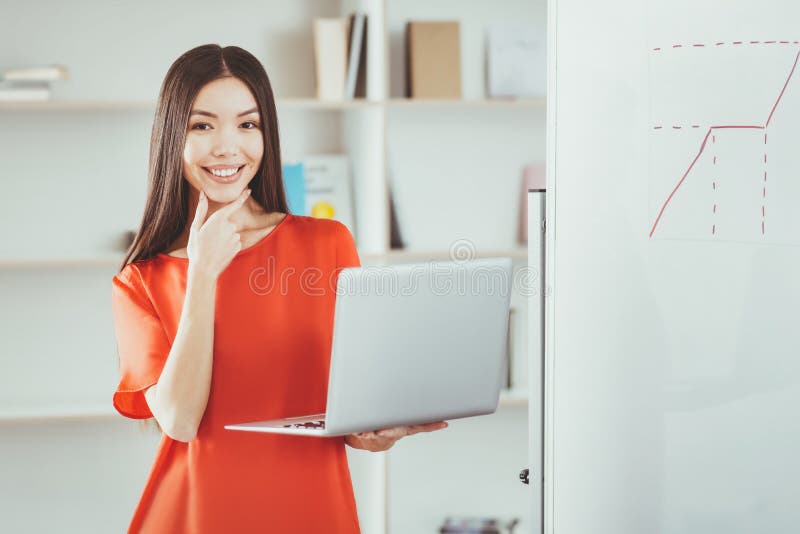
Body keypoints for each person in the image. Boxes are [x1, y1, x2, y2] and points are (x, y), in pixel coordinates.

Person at [110, 44, 447, 534]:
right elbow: (180, 421)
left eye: (248, 125)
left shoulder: (327, 245)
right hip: (198, 514)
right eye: (202, 125)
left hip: (312, 509)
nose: (228, 146)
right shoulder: (141, 280)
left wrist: (376, 434)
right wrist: (203, 275)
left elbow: (350, 408)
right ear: (171, 138)